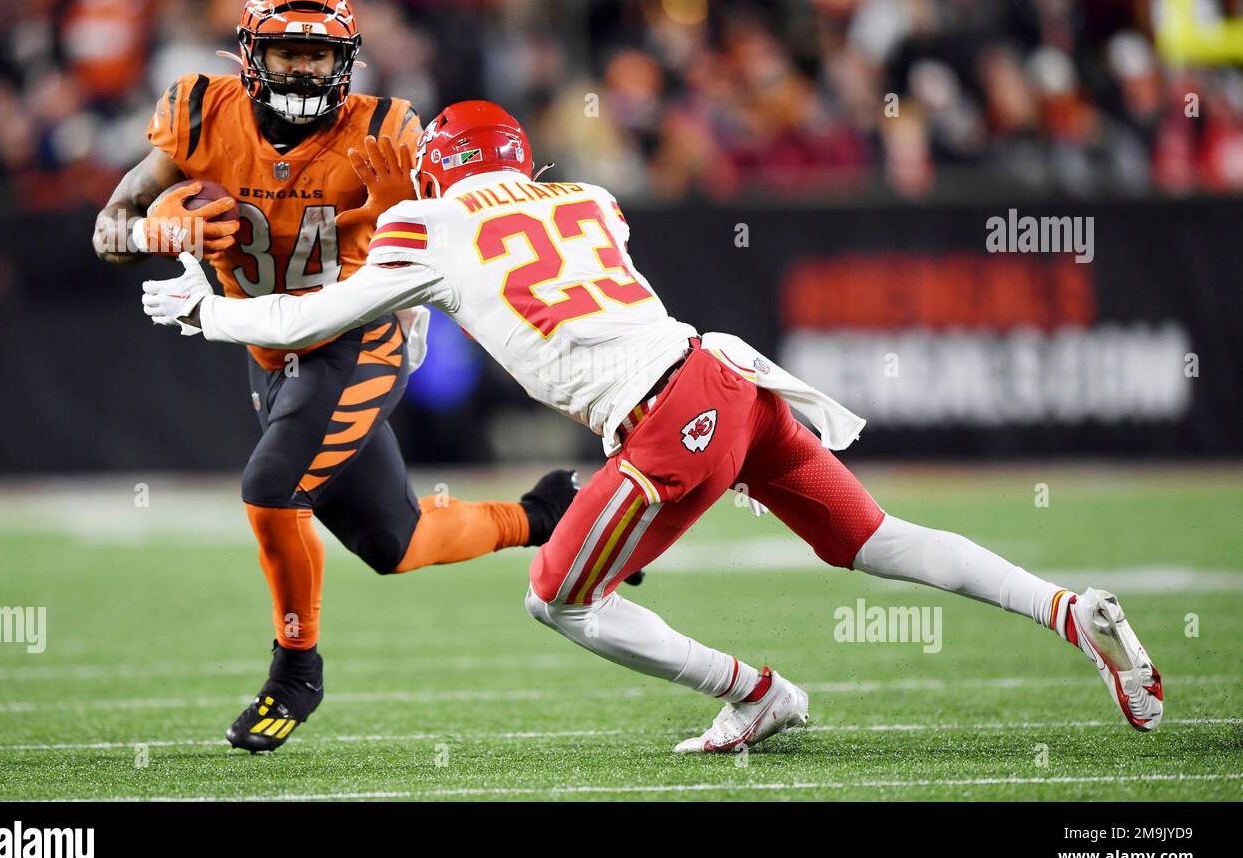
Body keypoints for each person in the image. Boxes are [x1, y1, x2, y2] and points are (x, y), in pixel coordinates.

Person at [141, 100, 1163, 753]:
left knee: (556, 600)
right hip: (726, 375)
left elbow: (302, 320)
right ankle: (1070, 611)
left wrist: (201, 308)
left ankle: (757, 692)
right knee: (877, 537)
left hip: (667, 418)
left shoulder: (427, 220)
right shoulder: (590, 197)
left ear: (438, 169)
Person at [94, 0, 577, 753]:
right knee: (396, 542)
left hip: (359, 338)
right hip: (272, 347)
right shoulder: (198, 110)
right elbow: (111, 221)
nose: (302, 72)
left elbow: (464, 222)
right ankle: (550, 514)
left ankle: (295, 670)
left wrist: (430, 223)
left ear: (345, 62)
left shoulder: (385, 131)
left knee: (269, 488)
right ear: (250, 58)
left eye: (317, 56)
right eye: (286, 53)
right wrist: (146, 236)